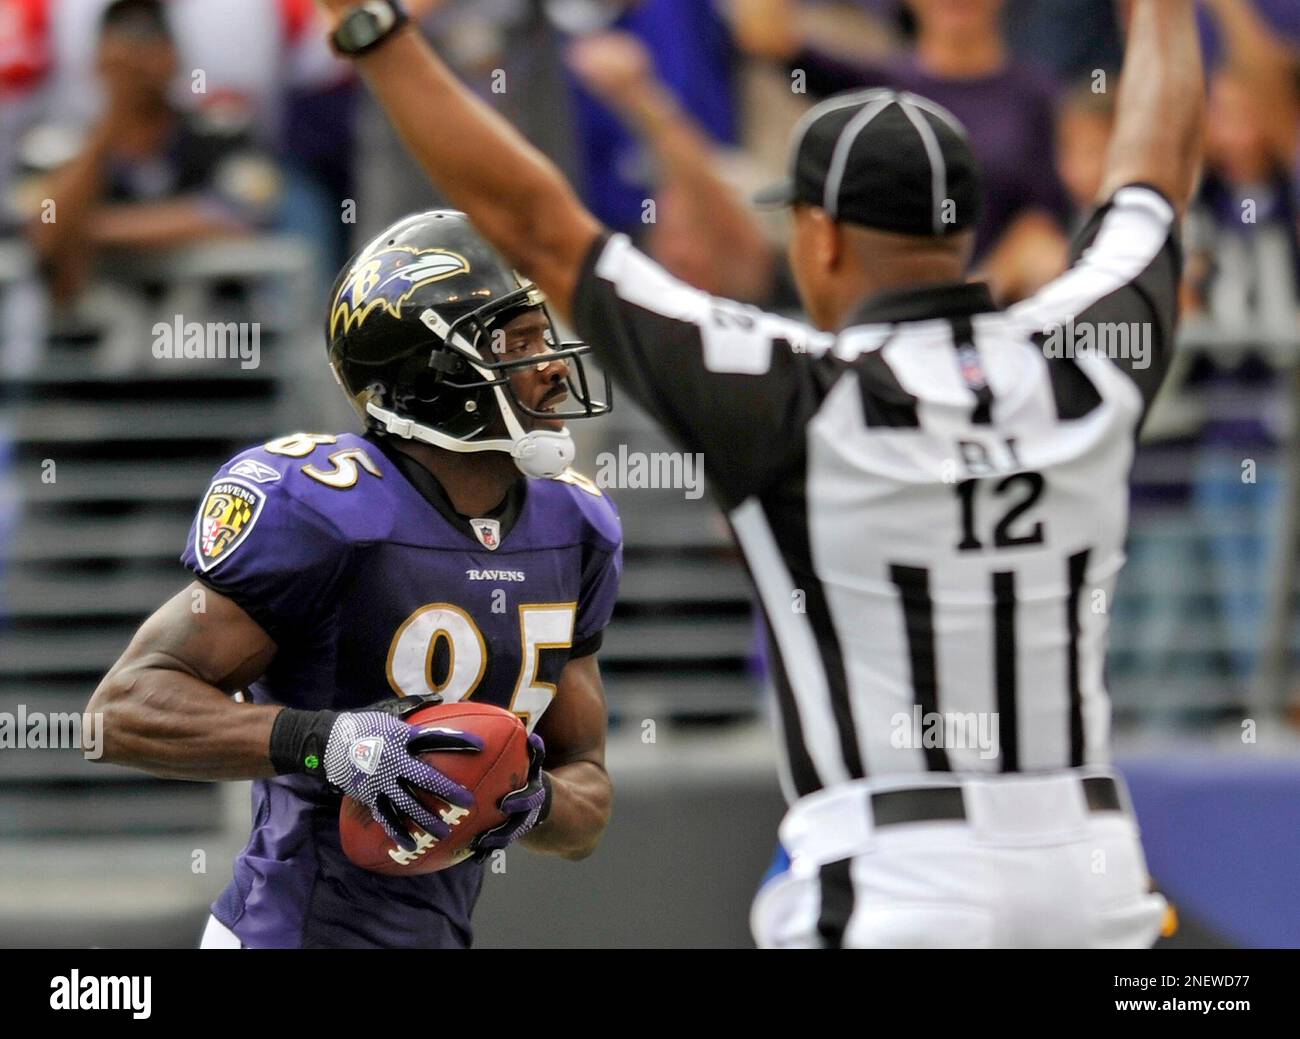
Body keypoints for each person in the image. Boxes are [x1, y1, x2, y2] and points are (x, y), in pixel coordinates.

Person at [312, 0, 1202, 948]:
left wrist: (377, 31)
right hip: (1096, 871)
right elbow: (1154, 171)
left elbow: (535, 223)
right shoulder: (1087, 362)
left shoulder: (791, 393)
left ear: (820, 236)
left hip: (897, 881)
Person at [86, 210, 623, 948]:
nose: (554, 365)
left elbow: (586, 797)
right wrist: (330, 741)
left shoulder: (576, 526)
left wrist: (528, 802)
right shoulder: (323, 508)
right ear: (438, 374)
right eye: (518, 344)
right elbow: (119, 712)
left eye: (543, 335)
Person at [23, 0, 280, 302]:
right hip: (92, 340)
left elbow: (239, 214)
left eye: (147, 41)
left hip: (214, 335)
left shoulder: (222, 132)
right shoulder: (54, 148)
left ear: (175, 56)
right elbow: (45, 232)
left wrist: (89, 230)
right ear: (98, 61)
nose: (135, 59)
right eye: (120, 44)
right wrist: (111, 124)